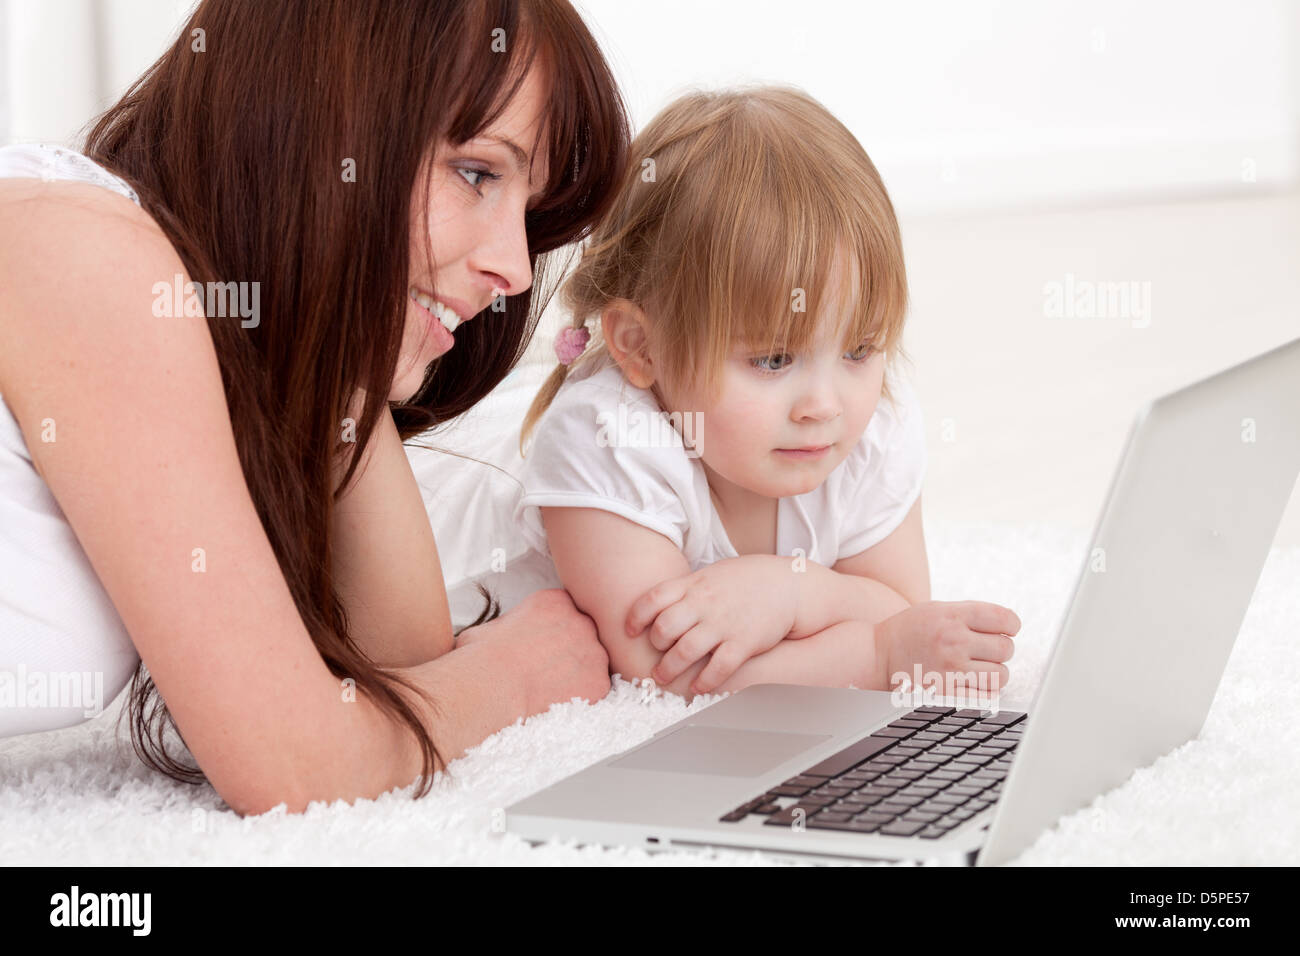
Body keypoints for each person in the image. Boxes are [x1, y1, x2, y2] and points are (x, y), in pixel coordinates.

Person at [0, 0, 629, 815]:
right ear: (321, 123)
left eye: (529, 213)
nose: (513, 266)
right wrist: (517, 670)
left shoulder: (202, 317)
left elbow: (402, 657)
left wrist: (339, 354)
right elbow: (297, 764)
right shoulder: (81, 247)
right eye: (477, 172)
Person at [512, 85, 1022, 701]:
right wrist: (877, 653)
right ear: (641, 347)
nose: (825, 405)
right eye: (775, 359)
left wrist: (793, 590)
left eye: (858, 350)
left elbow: (901, 602)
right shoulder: (610, 439)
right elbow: (666, 675)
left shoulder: (869, 424)